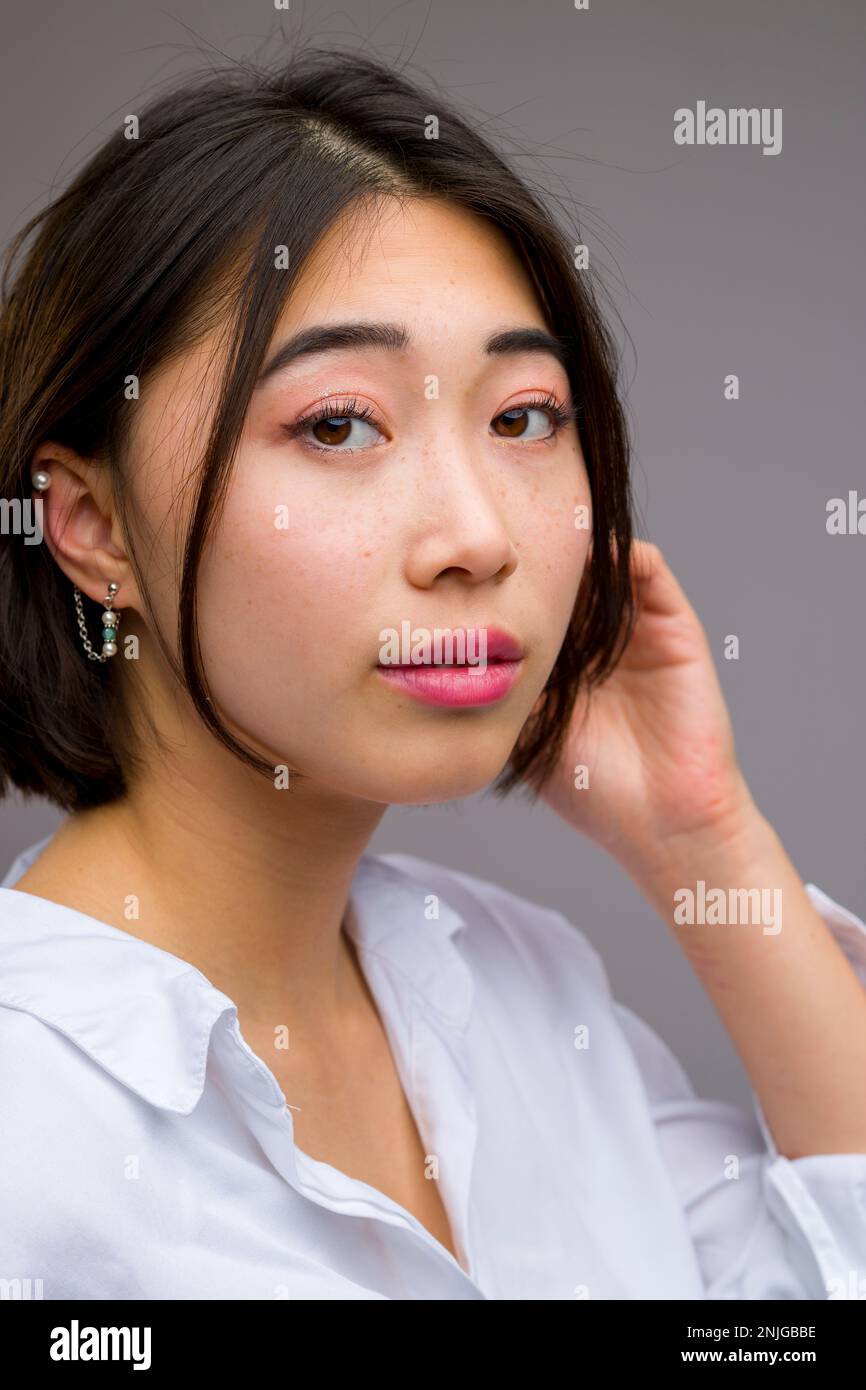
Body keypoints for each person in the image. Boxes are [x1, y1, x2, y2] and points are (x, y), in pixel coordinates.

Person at [0, 46, 864, 1302]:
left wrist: (703, 837)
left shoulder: (517, 985)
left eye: (522, 417)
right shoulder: (34, 1129)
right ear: (91, 526)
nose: (477, 536)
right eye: (337, 424)